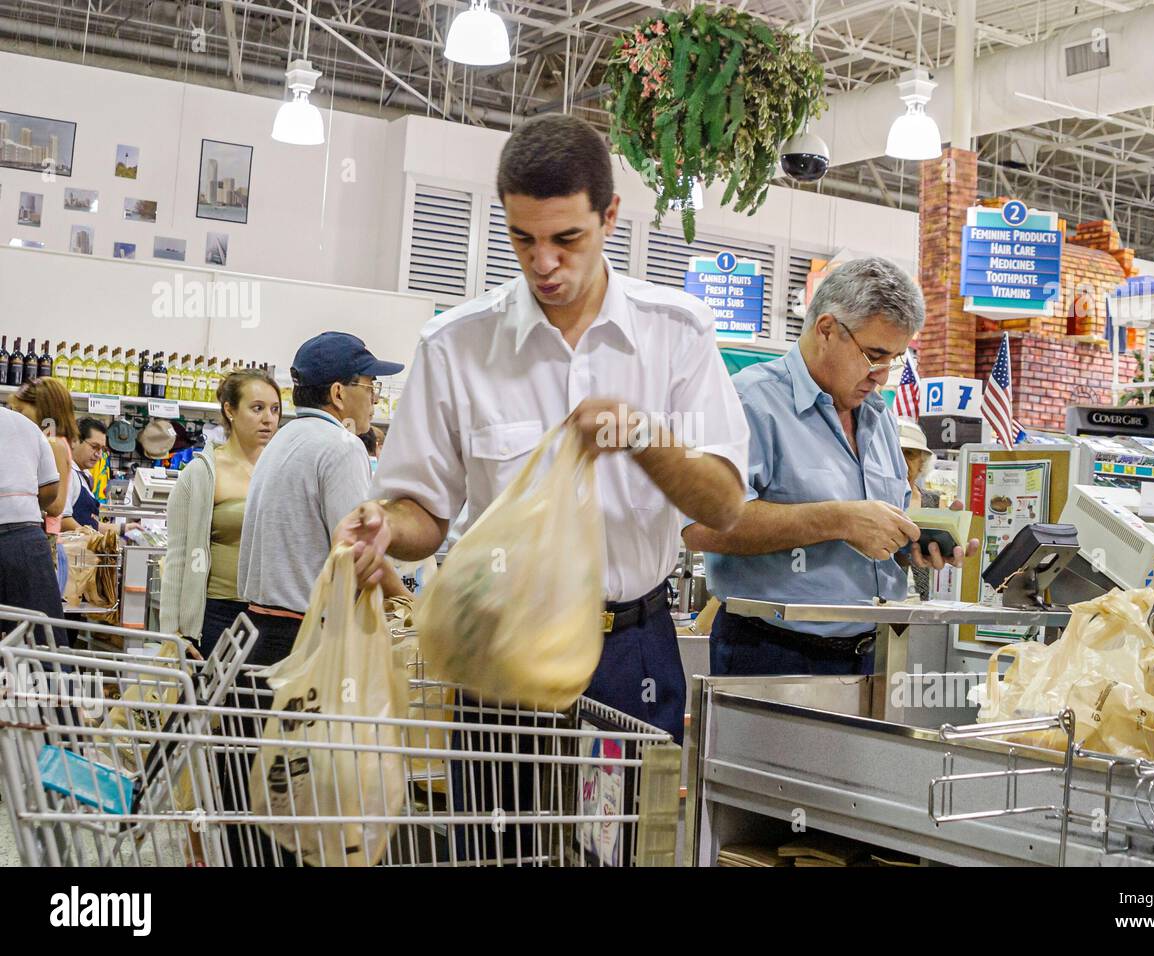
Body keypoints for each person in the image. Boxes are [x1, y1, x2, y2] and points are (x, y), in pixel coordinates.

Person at [336, 113, 748, 744]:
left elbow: (721, 505)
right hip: (501, 651)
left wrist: (639, 434)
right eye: (522, 239)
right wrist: (387, 526)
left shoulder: (677, 333)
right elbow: (426, 513)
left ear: (609, 217)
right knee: (499, 842)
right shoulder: (456, 347)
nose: (544, 263)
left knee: (632, 843)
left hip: (630, 650)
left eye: (567, 238)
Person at [682, 258, 979, 677]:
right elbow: (700, 527)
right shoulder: (749, 403)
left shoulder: (878, 417)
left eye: (894, 359)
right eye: (874, 355)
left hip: (874, 655)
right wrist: (837, 520)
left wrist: (914, 543)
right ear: (826, 329)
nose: (882, 376)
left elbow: (870, 544)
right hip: (772, 654)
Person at [238, 332, 407, 666]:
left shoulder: (283, 438)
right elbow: (360, 551)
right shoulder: (341, 445)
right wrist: (408, 602)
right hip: (306, 638)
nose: (375, 400)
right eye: (370, 386)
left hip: (257, 633)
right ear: (338, 393)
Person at [161, 369, 281, 656]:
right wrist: (173, 632)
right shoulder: (200, 474)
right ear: (230, 410)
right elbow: (178, 554)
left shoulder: (282, 471)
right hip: (217, 614)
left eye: (275, 409)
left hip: (273, 615)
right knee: (215, 699)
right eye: (257, 408)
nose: (269, 418)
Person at [0, 405, 68, 642]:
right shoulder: (25, 426)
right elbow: (50, 490)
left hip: (23, 540)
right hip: (25, 542)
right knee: (42, 645)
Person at [8, 378, 78, 594]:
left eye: (20, 410)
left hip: (44, 545)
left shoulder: (53, 443)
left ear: (44, 410)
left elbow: (56, 506)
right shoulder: (42, 441)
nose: (15, 416)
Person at [899, 418, 939, 601]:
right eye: (896, 452)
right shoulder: (872, 500)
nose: (901, 460)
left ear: (922, 462)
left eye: (910, 454)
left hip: (923, 601)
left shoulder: (932, 501)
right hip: (881, 604)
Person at [65, 417, 107, 530]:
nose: (99, 454)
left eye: (102, 449)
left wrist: (123, 528)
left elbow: (88, 523)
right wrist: (90, 537)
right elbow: (62, 520)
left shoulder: (83, 475)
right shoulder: (67, 474)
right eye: (94, 447)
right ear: (74, 441)